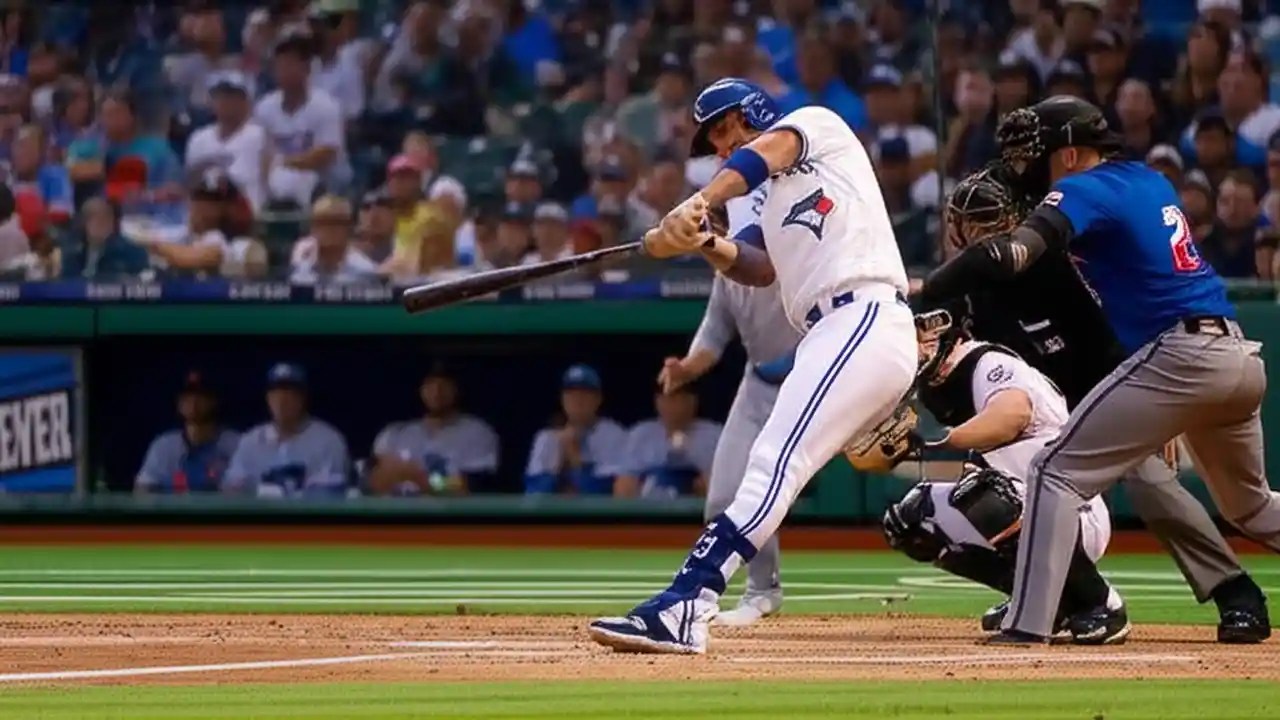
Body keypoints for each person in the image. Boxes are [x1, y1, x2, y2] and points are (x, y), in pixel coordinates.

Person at [920, 95, 1279, 645]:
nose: (1024, 169)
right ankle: (1077, 601)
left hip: (1173, 361)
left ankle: (1029, 624)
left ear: (1067, 153)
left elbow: (1013, 255)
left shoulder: (1081, 190)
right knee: (1251, 506)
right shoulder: (1147, 180)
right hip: (1233, 356)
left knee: (1053, 473)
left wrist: (922, 287)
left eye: (1032, 155)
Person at [588, 79, 915, 654]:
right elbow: (760, 269)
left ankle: (690, 599)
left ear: (753, 112)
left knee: (773, 461)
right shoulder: (755, 199)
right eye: (712, 138)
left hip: (862, 312)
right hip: (828, 330)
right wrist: (704, 243)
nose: (719, 146)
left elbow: (764, 153)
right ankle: (692, 599)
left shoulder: (817, 128)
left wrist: (696, 204)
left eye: (722, 129)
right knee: (775, 465)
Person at [861, 310, 1122, 644]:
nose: (914, 349)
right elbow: (981, 463)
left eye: (920, 338)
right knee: (911, 519)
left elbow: (1012, 415)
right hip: (1020, 499)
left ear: (943, 333)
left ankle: (1101, 603)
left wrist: (933, 442)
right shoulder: (940, 389)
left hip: (1071, 511)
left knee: (983, 496)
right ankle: (1044, 602)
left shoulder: (987, 362)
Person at [653, 187, 800, 627]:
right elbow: (711, 343)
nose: (712, 237)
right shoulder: (725, 283)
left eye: (716, 228)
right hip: (758, 386)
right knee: (724, 497)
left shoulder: (790, 262)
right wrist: (683, 370)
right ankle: (762, 591)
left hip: (816, 382)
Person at [366, 363, 499, 496]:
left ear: (456, 389)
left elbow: (471, 483)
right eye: (430, 384)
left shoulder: (477, 432)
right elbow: (371, 482)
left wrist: (425, 481)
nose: (437, 391)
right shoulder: (395, 433)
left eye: (445, 385)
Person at [224, 362, 350, 499]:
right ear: (267, 398)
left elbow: (327, 497)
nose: (282, 399)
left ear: (303, 398)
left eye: (290, 392)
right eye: (276, 392)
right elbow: (232, 490)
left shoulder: (328, 440)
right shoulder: (250, 441)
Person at [524, 364, 628, 496]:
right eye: (571, 394)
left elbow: (606, 494)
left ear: (598, 399)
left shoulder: (614, 435)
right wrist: (559, 465)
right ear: (562, 399)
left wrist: (575, 460)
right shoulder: (546, 438)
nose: (578, 400)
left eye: (585, 394)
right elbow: (534, 494)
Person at [135, 371, 240, 494]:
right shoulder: (164, 445)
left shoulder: (235, 444)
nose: (193, 402)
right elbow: (143, 489)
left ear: (214, 401)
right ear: (178, 404)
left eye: (201, 396)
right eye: (187, 397)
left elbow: (248, 492)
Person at [616, 384, 722, 500]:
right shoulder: (641, 434)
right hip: (648, 508)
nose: (672, 405)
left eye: (679, 398)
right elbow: (623, 483)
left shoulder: (715, 434)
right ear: (657, 401)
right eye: (667, 398)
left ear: (693, 401)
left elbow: (725, 484)